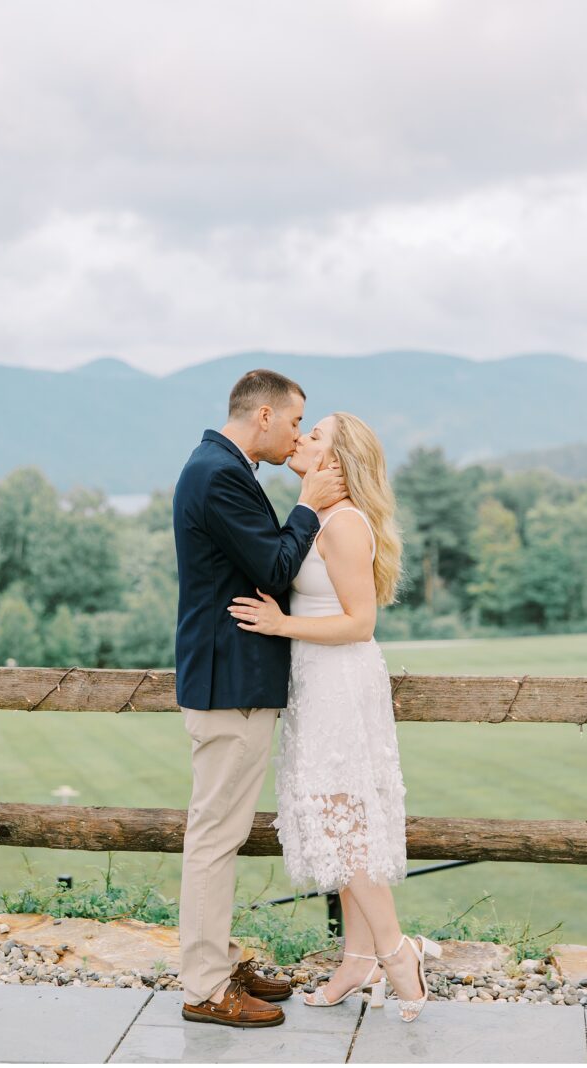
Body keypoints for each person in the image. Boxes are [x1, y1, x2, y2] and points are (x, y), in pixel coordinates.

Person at [228, 411, 443, 1023]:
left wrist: (280, 623)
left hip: (340, 684)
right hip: (314, 681)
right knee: (339, 825)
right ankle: (356, 959)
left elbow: (360, 622)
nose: (300, 440)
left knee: (345, 830)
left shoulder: (345, 524)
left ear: (338, 461)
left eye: (314, 435)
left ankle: (397, 952)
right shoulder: (316, 519)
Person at [173, 369, 346, 1028]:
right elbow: (275, 565)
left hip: (232, 680)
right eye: (297, 422)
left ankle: (218, 962)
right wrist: (307, 503)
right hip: (229, 682)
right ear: (265, 416)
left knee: (222, 833)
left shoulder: (219, 467)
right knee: (216, 838)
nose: (300, 433)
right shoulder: (217, 473)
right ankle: (207, 988)